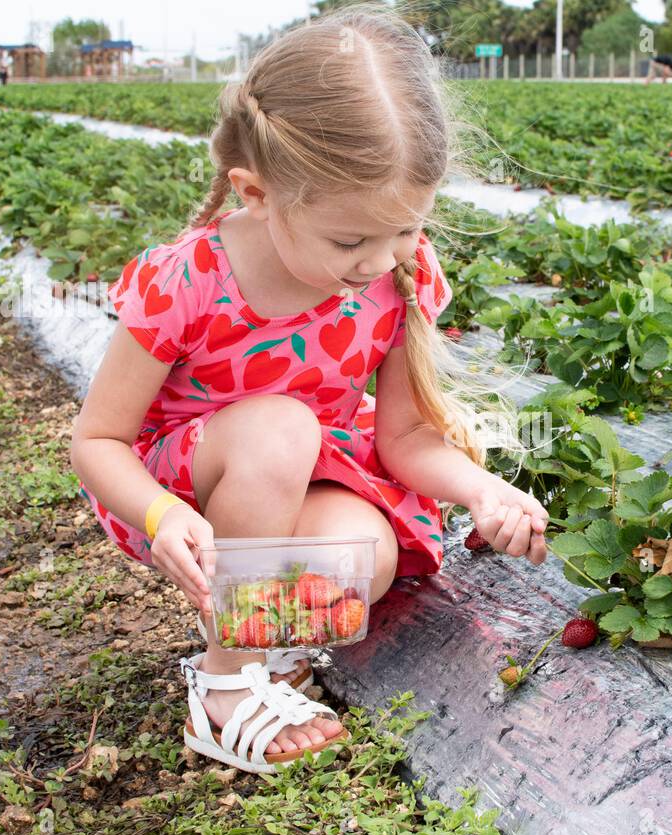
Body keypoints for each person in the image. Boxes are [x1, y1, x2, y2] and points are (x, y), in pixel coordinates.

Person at [70, 6, 546, 775]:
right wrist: (158, 515)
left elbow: (404, 439)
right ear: (255, 194)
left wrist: (483, 491)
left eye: (403, 230)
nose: (377, 260)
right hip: (178, 493)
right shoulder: (187, 279)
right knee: (282, 429)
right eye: (349, 240)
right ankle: (223, 688)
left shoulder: (400, 273)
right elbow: (97, 441)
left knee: (368, 555)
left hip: (302, 471)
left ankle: (271, 644)